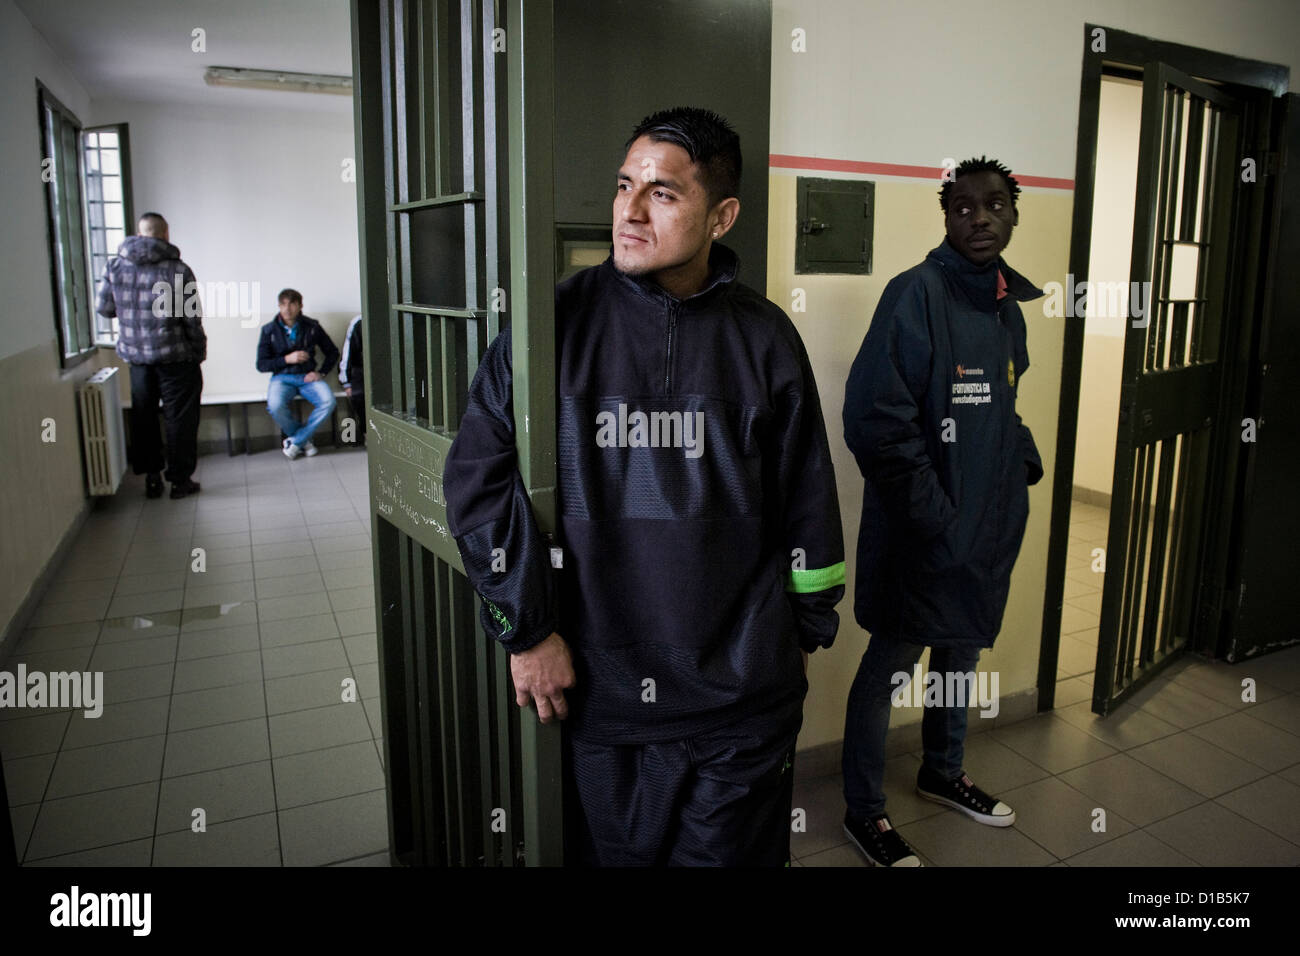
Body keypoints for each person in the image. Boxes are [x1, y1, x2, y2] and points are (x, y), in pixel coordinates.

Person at [443, 107, 844, 866]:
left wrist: (806, 624)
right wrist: (525, 630)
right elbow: (475, 475)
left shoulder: (764, 338)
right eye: (625, 185)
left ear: (721, 215)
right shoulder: (552, 327)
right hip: (606, 698)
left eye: (661, 194)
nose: (627, 210)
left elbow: (808, 499)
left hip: (741, 703)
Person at [840, 157, 1045, 867]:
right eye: (962, 207)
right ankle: (864, 811)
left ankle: (941, 769)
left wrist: (1021, 460)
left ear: (1015, 214)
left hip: (984, 532)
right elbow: (875, 421)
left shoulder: (1003, 307)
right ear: (946, 216)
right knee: (889, 667)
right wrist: (935, 517)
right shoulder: (915, 296)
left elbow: (1005, 403)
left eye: (993, 205)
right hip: (922, 536)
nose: (979, 218)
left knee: (959, 656)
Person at [96, 212, 206, 499]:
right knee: (179, 419)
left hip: (138, 359)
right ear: (165, 234)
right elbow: (192, 317)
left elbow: (104, 309)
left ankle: (152, 478)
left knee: (144, 417)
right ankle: (180, 481)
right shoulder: (178, 270)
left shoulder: (114, 266)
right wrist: (198, 351)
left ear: (139, 233)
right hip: (177, 358)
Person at [255, 290, 339, 458]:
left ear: (300, 306)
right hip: (281, 378)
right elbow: (261, 365)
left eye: (292, 304)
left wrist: (321, 373)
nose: (287, 309)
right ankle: (303, 440)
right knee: (275, 405)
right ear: (279, 306)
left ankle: (295, 441)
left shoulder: (312, 326)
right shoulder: (268, 330)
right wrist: (286, 359)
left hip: (307, 377)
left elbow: (333, 352)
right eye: (283, 304)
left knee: (328, 402)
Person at [339, 313, 365, 446]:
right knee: (358, 395)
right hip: (362, 370)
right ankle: (367, 432)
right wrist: (346, 382)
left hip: (386, 369)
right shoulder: (359, 322)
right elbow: (348, 354)